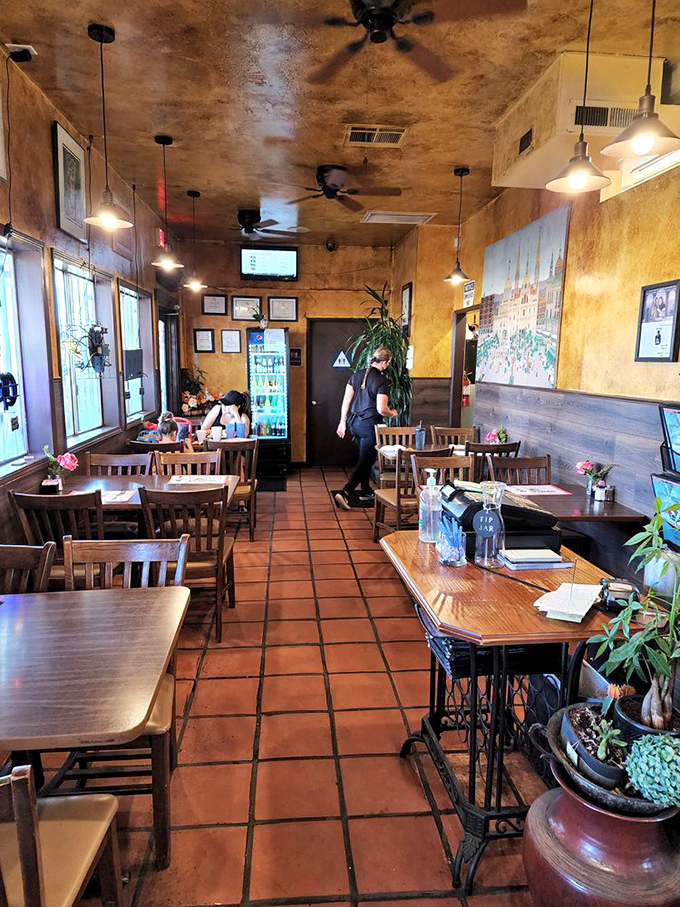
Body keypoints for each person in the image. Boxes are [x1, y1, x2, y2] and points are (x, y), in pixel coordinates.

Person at [334, 347, 398, 510]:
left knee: (365, 457)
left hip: (355, 424)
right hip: (370, 426)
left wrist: (342, 421)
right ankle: (345, 492)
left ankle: (365, 490)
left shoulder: (356, 375)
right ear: (385, 362)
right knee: (366, 460)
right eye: (388, 363)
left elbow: (346, 401)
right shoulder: (382, 380)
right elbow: (381, 409)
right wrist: (393, 413)